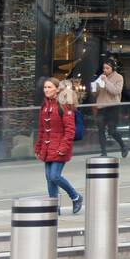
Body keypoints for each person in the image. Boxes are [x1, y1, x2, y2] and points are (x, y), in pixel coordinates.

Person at [38, 77, 83, 214]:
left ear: (57, 89)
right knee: (49, 178)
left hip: (60, 147)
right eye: (45, 87)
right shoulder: (45, 106)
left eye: (49, 87)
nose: (46, 90)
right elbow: (41, 129)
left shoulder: (64, 105)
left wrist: (63, 148)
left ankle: (75, 196)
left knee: (54, 176)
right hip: (47, 147)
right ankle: (54, 207)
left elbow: (70, 130)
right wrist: (39, 147)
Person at [91, 58, 128, 158]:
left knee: (112, 131)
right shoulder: (101, 77)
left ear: (113, 68)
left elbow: (116, 91)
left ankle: (123, 146)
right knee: (101, 130)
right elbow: (95, 94)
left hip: (113, 107)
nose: (105, 70)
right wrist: (95, 87)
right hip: (101, 107)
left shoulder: (119, 77)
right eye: (104, 68)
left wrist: (106, 81)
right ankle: (103, 152)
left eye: (107, 68)